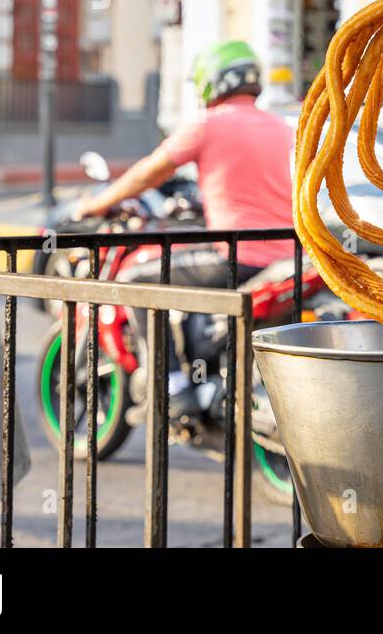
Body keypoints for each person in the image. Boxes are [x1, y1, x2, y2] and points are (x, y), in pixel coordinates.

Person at [76, 39, 294, 415]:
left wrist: (95, 204)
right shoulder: (280, 127)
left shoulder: (208, 124)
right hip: (288, 253)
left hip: (238, 256)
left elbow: (151, 172)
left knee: (135, 280)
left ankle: (173, 386)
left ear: (212, 81)